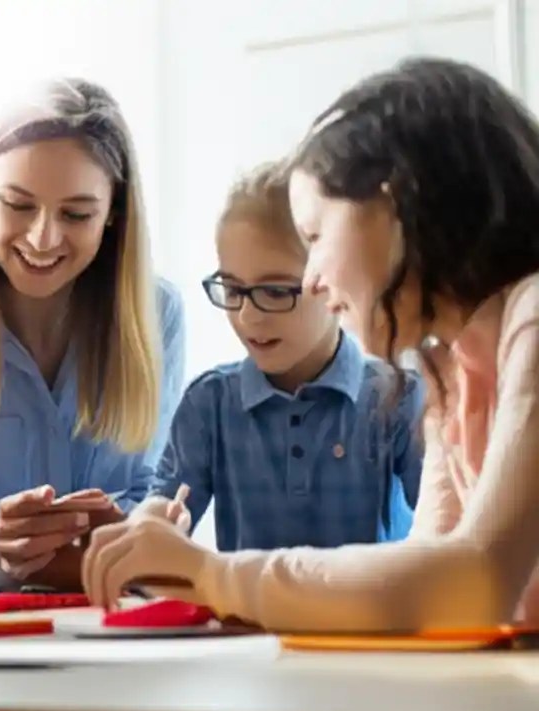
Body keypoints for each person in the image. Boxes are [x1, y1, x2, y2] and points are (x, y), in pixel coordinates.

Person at [84, 57, 539, 631]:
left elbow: (475, 582)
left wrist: (213, 575)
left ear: (398, 204)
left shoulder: (532, 316)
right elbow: (427, 576)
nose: (312, 279)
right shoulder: (451, 372)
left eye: (315, 236)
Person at [0, 78, 186, 595]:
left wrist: (138, 526)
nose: (42, 238)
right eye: (19, 205)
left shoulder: (158, 315)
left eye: (76, 214)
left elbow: (150, 490)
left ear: (113, 214)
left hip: (108, 622)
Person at [147, 162, 423, 551]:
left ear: (334, 282)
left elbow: (450, 540)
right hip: (243, 614)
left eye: (275, 292)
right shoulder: (208, 404)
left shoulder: (398, 398)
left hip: (368, 612)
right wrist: (156, 527)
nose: (247, 316)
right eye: (233, 290)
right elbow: (157, 526)